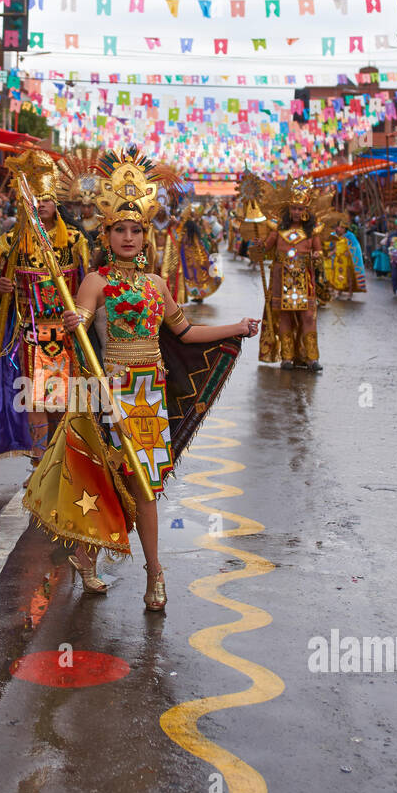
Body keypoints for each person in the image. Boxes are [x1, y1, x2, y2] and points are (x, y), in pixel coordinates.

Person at [28, 147, 256, 612]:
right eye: (119, 229)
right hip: (107, 395)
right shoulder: (95, 280)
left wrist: (235, 328)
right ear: (106, 233)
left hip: (149, 399)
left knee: (146, 489)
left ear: (145, 234)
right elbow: (82, 321)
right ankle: (86, 557)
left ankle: (156, 574)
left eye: (136, 230)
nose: (128, 237)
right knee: (105, 481)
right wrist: (75, 321)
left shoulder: (155, 283)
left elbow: (186, 331)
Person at [0, 150, 91, 471]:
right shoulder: (11, 242)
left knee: (64, 402)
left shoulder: (75, 241)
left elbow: (87, 288)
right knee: (35, 400)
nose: (40, 204)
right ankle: (41, 466)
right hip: (29, 337)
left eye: (46, 198)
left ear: (56, 203)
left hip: (66, 336)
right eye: (35, 198)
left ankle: (63, 461)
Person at [254, 176, 324, 370]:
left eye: (300, 209)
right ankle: (287, 357)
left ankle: (311, 358)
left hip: (304, 278)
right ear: (289, 209)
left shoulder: (312, 231)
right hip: (281, 278)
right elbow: (266, 249)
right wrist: (260, 246)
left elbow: (319, 251)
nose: (296, 212)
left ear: (306, 210)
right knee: (284, 315)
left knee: (307, 316)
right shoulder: (278, 229)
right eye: (293, 208)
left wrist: (317, 257)